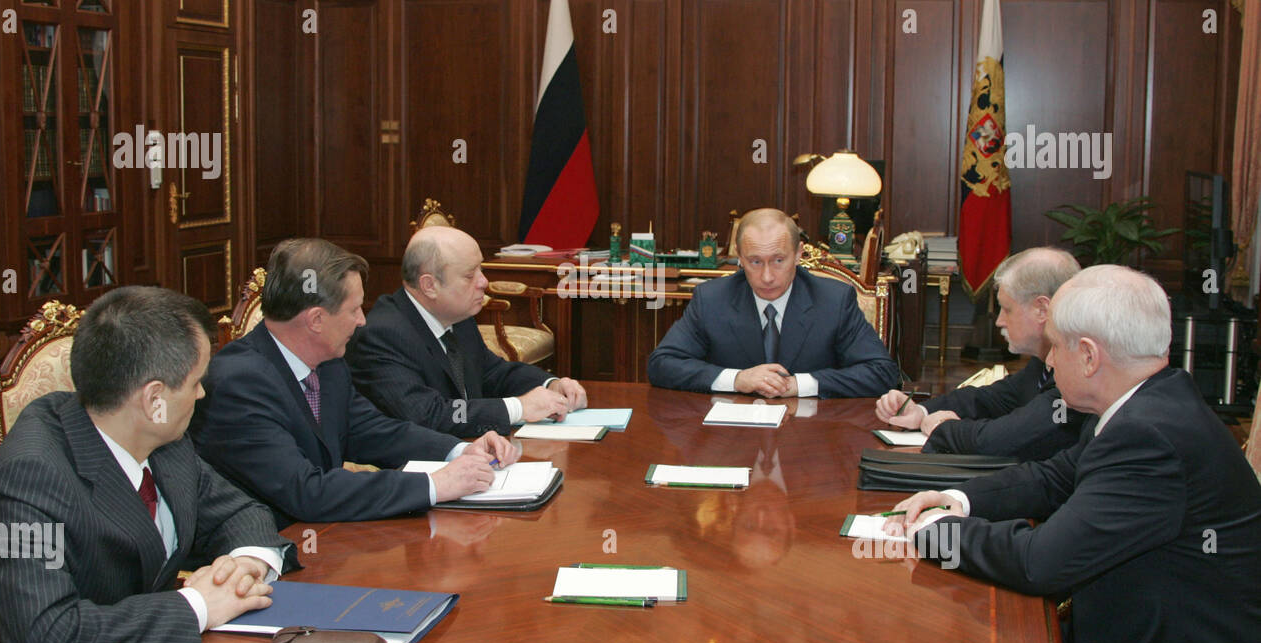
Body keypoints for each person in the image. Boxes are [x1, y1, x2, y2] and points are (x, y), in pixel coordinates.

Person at [883, 265, 1261, 643]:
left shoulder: (1149, 436)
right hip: (1118, 634)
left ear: (1088, 355)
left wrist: (937, 532)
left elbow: (1040, 562)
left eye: (1056, 346)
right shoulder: (1151, 400)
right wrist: (957, 499)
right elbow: (1055, 477)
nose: (1048, 359)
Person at [0, 287, 297, 643]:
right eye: (195, 383)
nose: (202, 394)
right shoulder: (22, 480)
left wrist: (245, 566)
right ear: (154, 398)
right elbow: (46, 641)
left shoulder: (162, 439)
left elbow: (237, 512)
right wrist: (199, 606)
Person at [192, 238, 516, 528]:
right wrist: (434, 485)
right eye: (354, 309)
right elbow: (307, 492)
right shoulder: (238, 385)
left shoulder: (330, 364)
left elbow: (373, 431)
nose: (363, 321)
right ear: (316, 319)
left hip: (327, 535)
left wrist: (458, 451)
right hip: (269, 555)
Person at [347, 225, 587, 437]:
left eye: (480, 270)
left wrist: (550, 384)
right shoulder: (383, 335)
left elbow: (493, 372)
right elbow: (426, 414)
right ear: (429, 286)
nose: (484, 282)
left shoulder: (457, 316)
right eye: (470, 275)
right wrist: (518, 408)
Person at [647, 208, 898, 398]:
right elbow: (662, 365)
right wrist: (737, 380)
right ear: (740, 258)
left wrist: (800, 385)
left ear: (799, 254)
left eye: (778, 260)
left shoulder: (834, 300)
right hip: (732, 440)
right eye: (755, 261)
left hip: (812, 438)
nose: (767, 276)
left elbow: (882, 373)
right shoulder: (712, 299)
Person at [875, 247, 1085, 460]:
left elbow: (1003, 439)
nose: (999, 321)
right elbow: (990, 398)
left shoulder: (1075, 374)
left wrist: (944, 427)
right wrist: (921, 412)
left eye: (1007, 309)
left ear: (1042, 309)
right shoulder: (1042, 364)